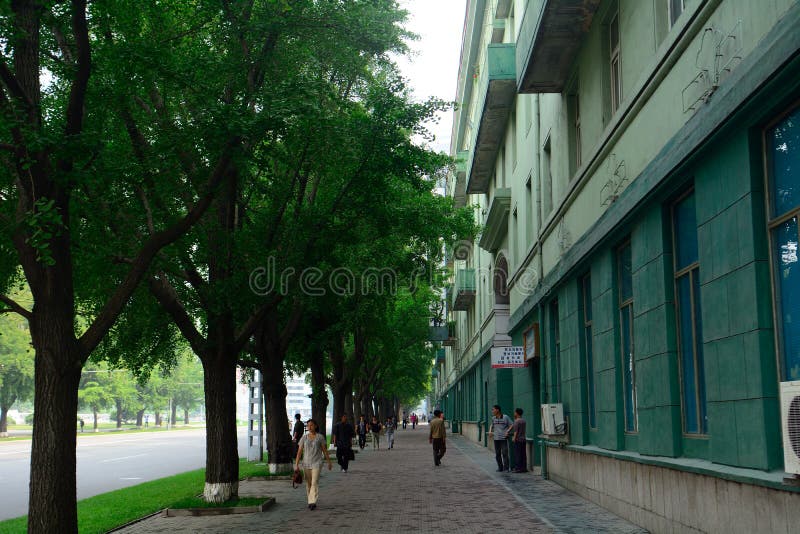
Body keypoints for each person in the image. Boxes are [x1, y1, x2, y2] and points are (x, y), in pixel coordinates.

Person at [294, 418, 332, 510]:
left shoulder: (320, 437)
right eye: (308, 425)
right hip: (306, 463)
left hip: (317, 463)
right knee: (308, 483)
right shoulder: (304, 437)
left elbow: (324, 450)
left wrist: (329, 462)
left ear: (315, 426)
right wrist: (296, 464)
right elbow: (299, 452)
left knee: (314, 482)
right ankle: (310, 500)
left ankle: (312, 502)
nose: (309, 427)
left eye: (311, 425)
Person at [488, 404, 512, 472]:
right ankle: (500, 467)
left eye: (493, 409)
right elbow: (491, 425)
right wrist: (490, 431)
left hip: (503, 438)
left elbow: (511, 425)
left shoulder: (505, 417)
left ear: (497, 410)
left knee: (504, 453)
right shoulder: (493, 418)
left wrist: (507, 431)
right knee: (497, 454)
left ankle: (506, 468)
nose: (492, 411)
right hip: (496, 438)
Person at [511, 408, 527, 473]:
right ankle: (524, 468)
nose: (514, 413)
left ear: (517, 413)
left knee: (518, 454)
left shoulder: (516, 421)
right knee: (523, 454)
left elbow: (516, 431)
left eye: (515, 412)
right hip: (523, 439)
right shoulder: (523, 421)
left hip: (518, 440)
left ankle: (518, 468)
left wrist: (514, 438)